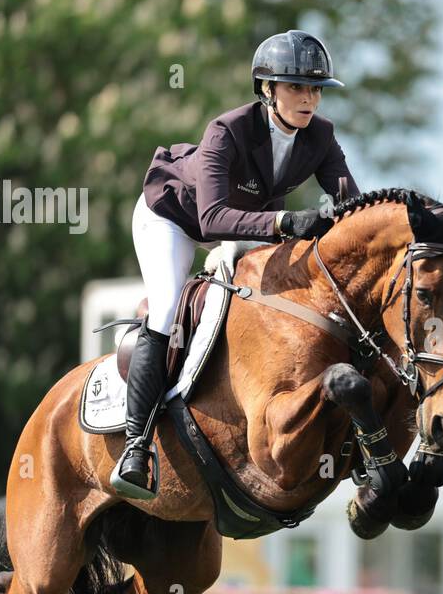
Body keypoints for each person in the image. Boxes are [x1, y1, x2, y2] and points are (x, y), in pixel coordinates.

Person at [111, 30, 360, 500]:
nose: (308, 99)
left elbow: (351, 203)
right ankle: (137, 446)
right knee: (165, 308)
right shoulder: (227, 130)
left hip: (242, 226)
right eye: (295, 88)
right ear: (267, 89)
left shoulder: (321, 137)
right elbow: (212, 217)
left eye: (314, 89)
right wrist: (286, 220)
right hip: (175, 219)